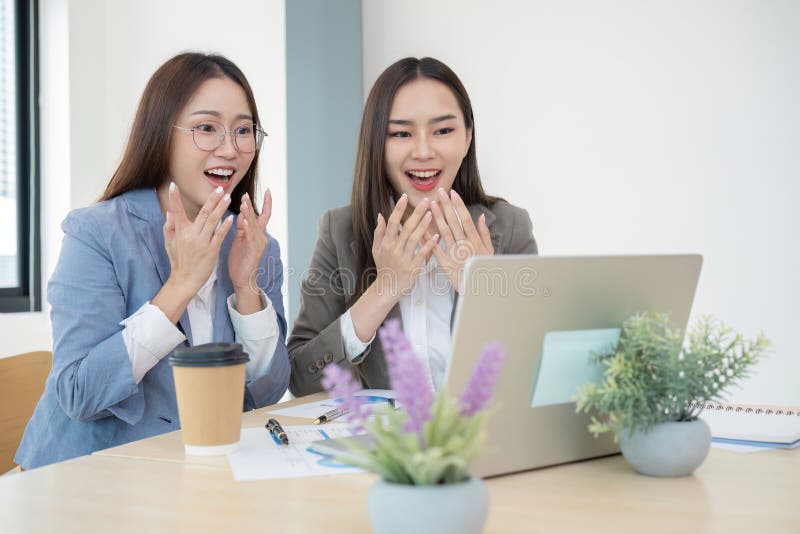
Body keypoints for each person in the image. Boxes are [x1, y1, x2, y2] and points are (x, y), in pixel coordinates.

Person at [15, 53, 289, 469]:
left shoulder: (253, 242)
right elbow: (78, 393)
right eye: (207, 128)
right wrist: (180, 286)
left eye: (243, 131)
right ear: (162, 134)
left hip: (194, 479)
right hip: (86, 481)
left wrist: (247, 288)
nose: (230, 149)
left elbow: (268, 392)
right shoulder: (97, 233)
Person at [288, 57, 537, 396]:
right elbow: (303, 379)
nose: (423, 151)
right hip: (386, 447)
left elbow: (537, 373)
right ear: (377, 143)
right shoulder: (340, 231)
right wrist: (383, 291)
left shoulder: (509, 228)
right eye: (402, 133)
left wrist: (482, 291)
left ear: (466, 139)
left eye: (443, 131)